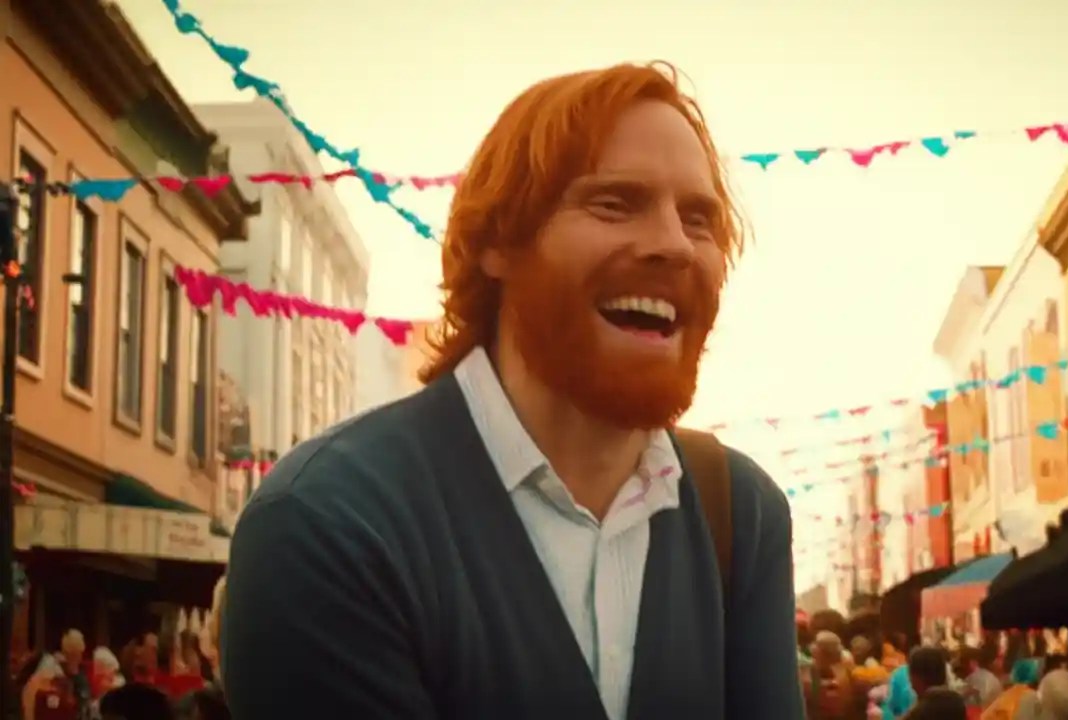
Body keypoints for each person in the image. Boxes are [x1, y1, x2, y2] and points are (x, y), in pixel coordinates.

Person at [223, 61, 800, 720]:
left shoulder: (740, 515)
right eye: (615, 203)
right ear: (499, 240)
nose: (674, 244)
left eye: (699, 219)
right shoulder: (330, 522)